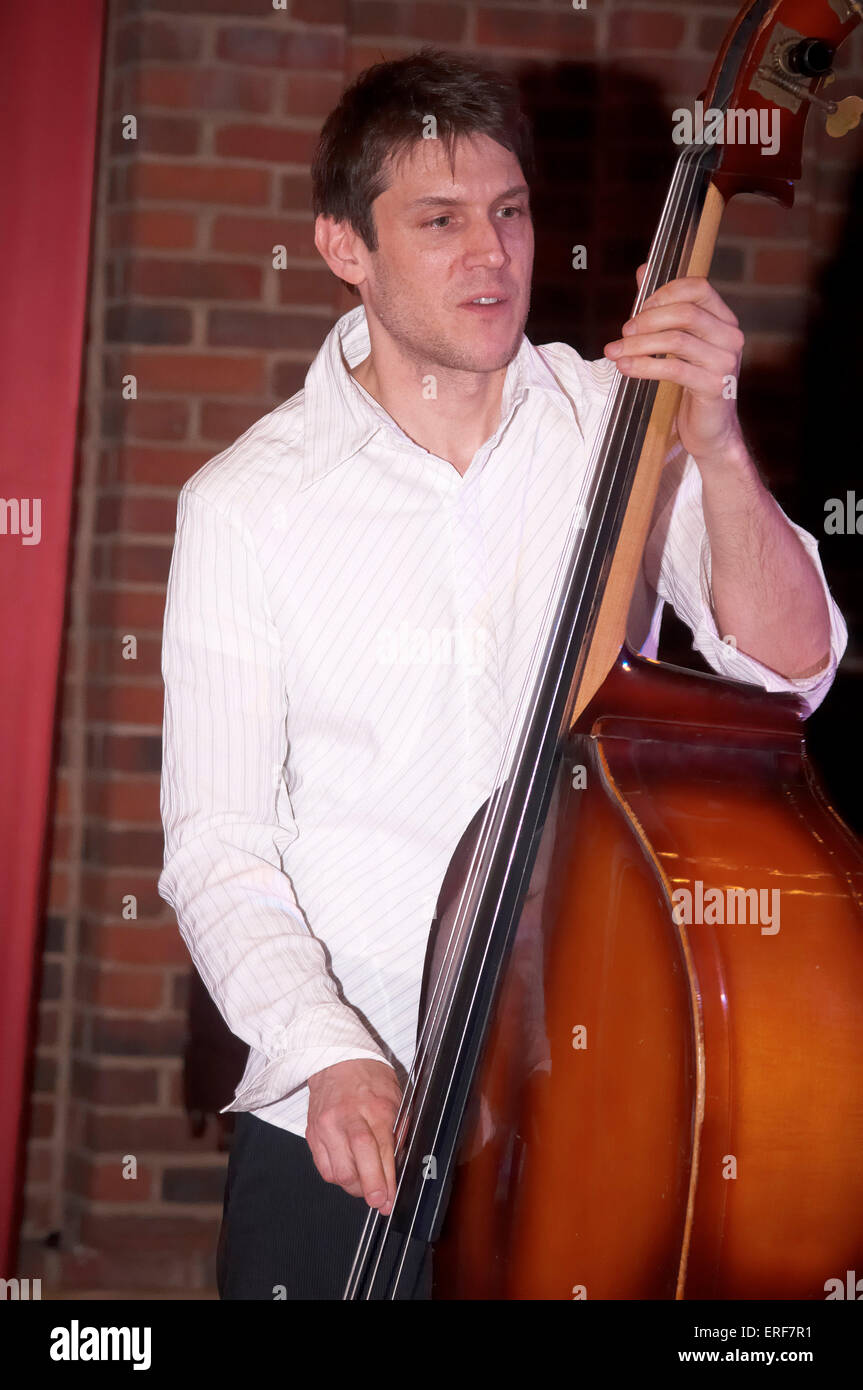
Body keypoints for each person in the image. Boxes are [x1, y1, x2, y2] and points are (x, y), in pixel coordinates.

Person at [157, 48, 846, 1301]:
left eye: (509, 213)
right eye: (438, 221)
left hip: (592, 1116)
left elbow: (793, 665)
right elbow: (216, 848)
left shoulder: (617, 425)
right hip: (341, 1114)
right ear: (341, 247)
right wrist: (330, 1054)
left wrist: (717, 441)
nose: (491, 253)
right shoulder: (244, 507)